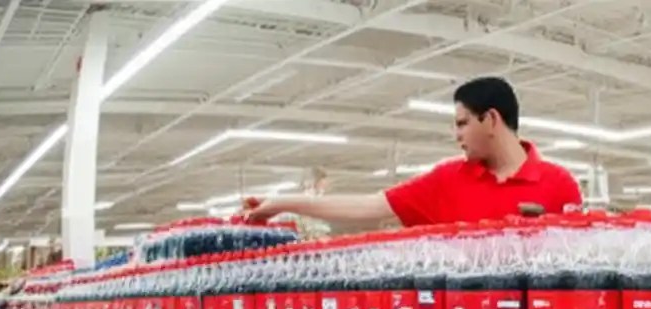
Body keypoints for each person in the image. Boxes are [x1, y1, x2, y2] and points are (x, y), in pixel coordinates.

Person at [245, 77, 583, 226]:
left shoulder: (560, 185)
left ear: (491, 119)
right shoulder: (447, 180)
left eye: (462, 123)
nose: (456, 135)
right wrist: (282, 203)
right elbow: (367, 206)